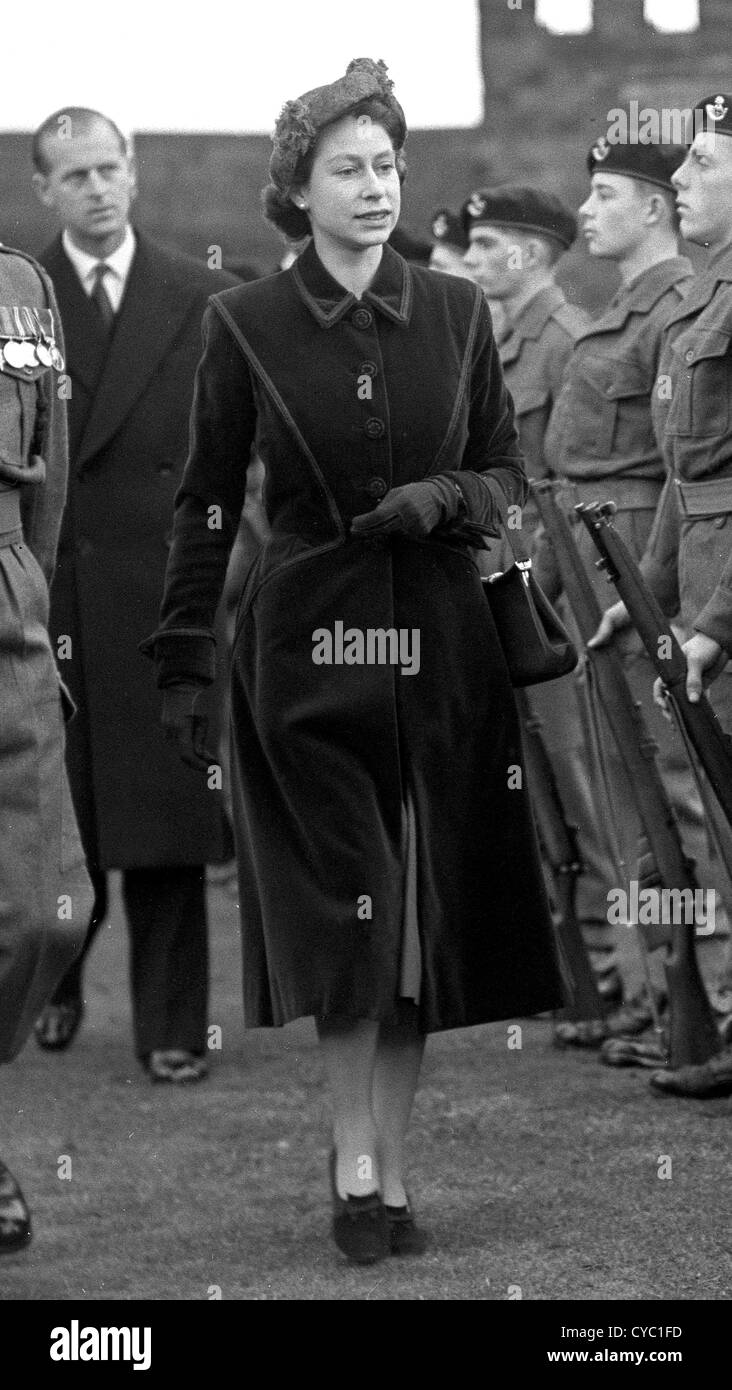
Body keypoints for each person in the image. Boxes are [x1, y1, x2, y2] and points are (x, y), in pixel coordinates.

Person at [143, 56, 562, 1263]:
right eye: (349, 169)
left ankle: (393, 1168)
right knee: (353, 921)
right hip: (305, 658)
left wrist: (447, 494)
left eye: (388, 166)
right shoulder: (242, 324)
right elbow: (206, 502)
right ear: (299, 189)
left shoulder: (458, 311)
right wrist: (180, 654)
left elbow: (507, 476)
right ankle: (352, 1159)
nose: (377, 188)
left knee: (421, 920)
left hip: (446, 659)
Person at [30, 107, 237, 1080]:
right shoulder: (16, 299)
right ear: (46, 191)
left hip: (164, 592)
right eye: (75, 176)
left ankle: (171, 1022)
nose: (98, 188)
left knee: (162, 812)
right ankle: (55, 984)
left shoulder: (200, 293)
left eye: (110, 169)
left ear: (135, 172)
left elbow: (237, 456)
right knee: (54, 810)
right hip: (51, 591)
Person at [461, 184, 630, 1012]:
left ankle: (620, 979)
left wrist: (543, 597)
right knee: (535, 799)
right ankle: (575, 980)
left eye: (488, 244)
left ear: (528, 253)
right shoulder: (484, 342)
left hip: (548, 602)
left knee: (581, 785)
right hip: (501, 590)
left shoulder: (566, 341)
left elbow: (570, 490)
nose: (474, 258)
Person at [593, 94, 732, 1098]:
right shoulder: (702, 304)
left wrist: (716, 623)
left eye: (701, 168)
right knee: (705, 819)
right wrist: (641, 596)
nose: (678, 183)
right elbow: (686, 479)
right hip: (697, 587)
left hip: (726, 605)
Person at [0, 240, 93, 1251]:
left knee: (48, 912)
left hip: (8, 595)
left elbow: (50, 469)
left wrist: (32, 606)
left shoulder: (19, 286)